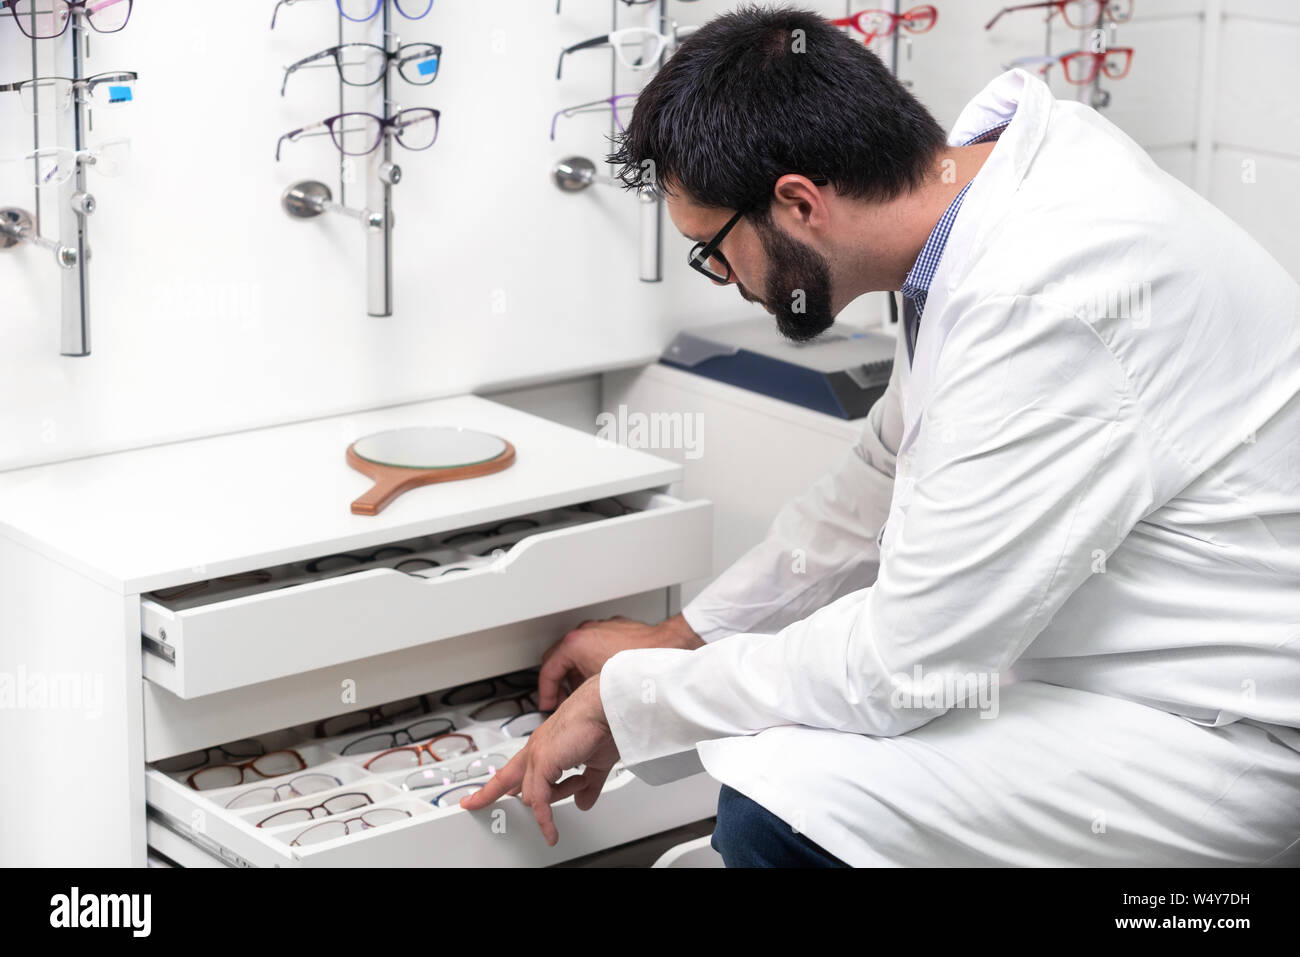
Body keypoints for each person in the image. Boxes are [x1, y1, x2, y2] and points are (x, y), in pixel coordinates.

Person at [462, 4, 1300, 866]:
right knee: (777, 773)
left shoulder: (1051, 292)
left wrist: (627, 699)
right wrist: (682, 640)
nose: (721, 277)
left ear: (796, 203)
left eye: (711, 248)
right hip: (1101, 673)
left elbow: (906, 668)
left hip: (1214, 733)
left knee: (781, 805)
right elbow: (878, 476)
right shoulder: (982, 207)